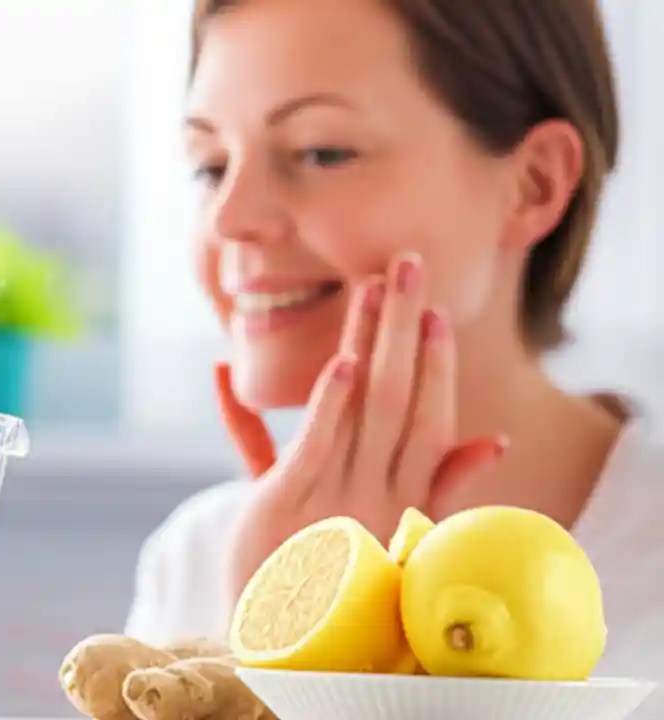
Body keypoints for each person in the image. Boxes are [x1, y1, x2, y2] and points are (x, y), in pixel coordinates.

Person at [123, 0, 663, 706]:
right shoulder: (200, 559)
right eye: (210, 165)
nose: (231, 217)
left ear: (534, 183)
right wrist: (271, 641)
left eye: (321, 152)